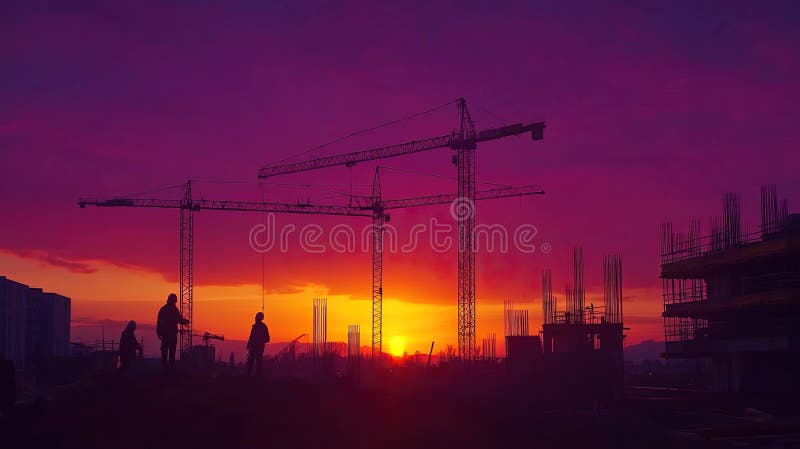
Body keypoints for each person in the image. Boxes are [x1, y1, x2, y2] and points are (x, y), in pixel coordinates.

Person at [157, 293, 189, 371]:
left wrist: (159, 332)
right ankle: (169, 368)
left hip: (166, 334)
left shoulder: (164, 309)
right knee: (171, 352)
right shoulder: (173, 310)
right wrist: (185, 322)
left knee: (166, 352)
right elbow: (179, 319)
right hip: (171, 335)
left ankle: (166, 368)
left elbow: (159, 322)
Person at [246, 312, 270, 376]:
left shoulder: (259, 327)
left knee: (256, 361)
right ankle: (254, 375)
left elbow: (267, 339)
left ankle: (256, 375)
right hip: (257, 347)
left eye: (256, 317)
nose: (255, 319)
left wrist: (259, 342)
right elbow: (251, 337)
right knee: (253, 361)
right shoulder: (261, 327)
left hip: (257, 348)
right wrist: (249, 344)